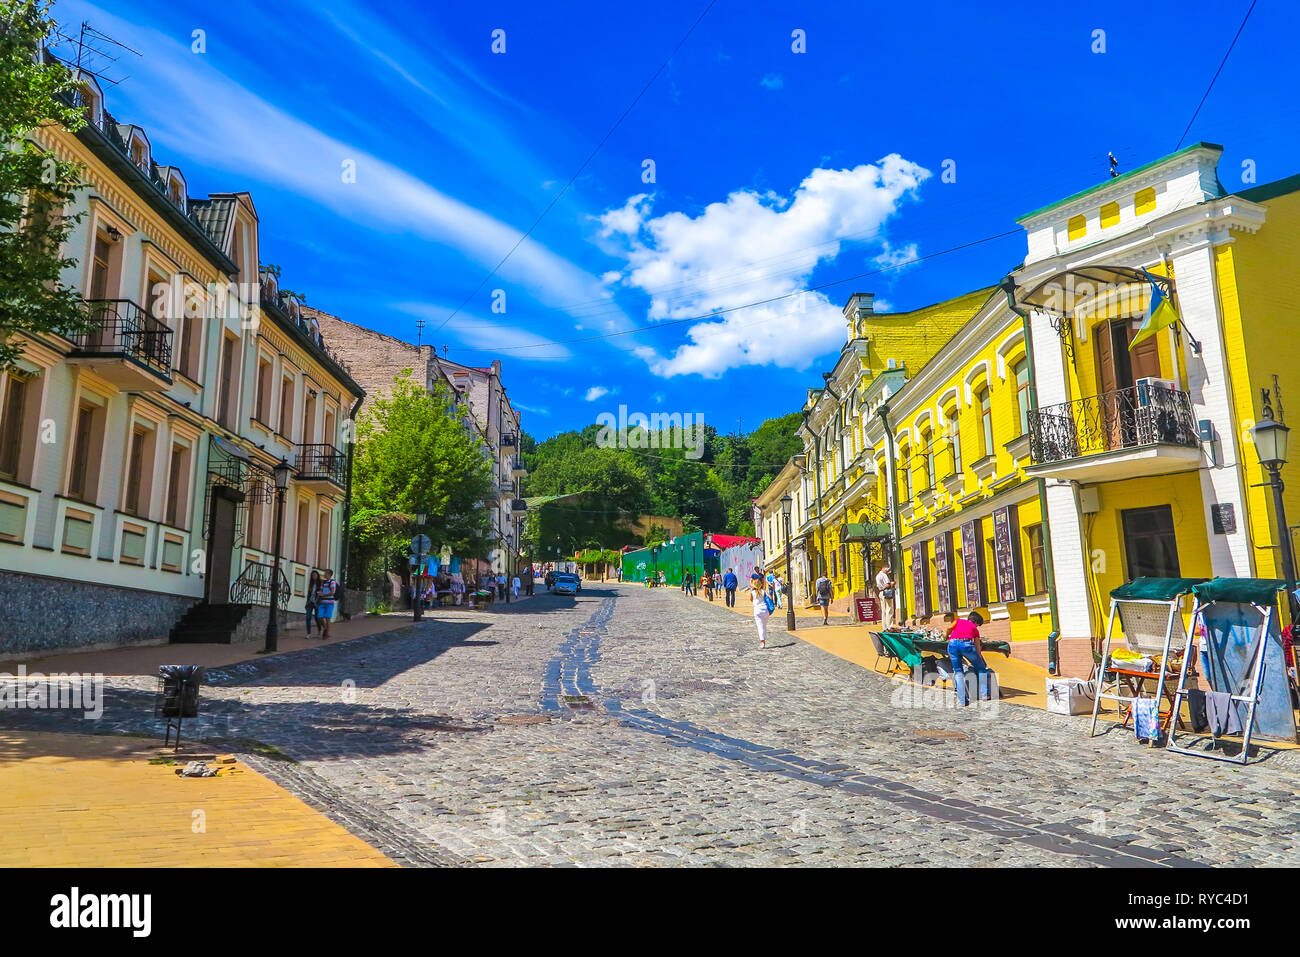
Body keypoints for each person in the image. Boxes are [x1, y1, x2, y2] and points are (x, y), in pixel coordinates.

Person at [946, 611, 990, 706]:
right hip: (966, 645)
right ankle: (984, 694)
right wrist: (978, 657)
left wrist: (945, 636)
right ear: (976, 622)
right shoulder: (974, 628)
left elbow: (949, 628)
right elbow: (977, 645)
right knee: (981, 668)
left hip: (952, 644)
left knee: (958, 672)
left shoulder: (958, 621)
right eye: (978, 625)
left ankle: (962, 701)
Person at [748, 572, 772, 648]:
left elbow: (751, 600)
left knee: (760, 626)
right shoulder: (764, 591)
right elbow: (770, 598)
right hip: (765, 610)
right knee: (764, 626)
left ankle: (762, 642)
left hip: (757, 611)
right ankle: (763, 639)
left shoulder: (752, 593)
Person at [316, 569, 338, 639]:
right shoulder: (323, 582)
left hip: (330, 603)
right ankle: (325, 628)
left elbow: (332, 592)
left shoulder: (332, 582)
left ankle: (326, 634)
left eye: (325, 573)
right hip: (322, 602)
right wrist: (319, 593)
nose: (324, 574)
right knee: (319, 617)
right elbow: (321, 591)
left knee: (327, 618)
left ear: (329, 574)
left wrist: (323, 595)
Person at [875, 564, 896, 630]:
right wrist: (892, 584)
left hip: (881, 592)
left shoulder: (877, 575)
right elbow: (887, 585)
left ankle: (884, 627)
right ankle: (889, 626)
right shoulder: (884, 575)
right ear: (884, 568)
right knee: (889, 609)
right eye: (887, 570)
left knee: (883, 611)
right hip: (886, 592)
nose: (888, 571)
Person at [305, 569, 321, 637]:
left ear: (317, 575)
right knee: (308, 617)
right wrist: (306, 602)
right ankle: (308, 633)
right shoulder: (311, 584)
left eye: (315, 575)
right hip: (310, 602)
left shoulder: (320, 583)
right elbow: (309, 594)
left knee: (317, 618)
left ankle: (319, 630)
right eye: (312, 575)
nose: (314, 576)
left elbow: (320, 594)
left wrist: (317, 602)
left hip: (317, 603)